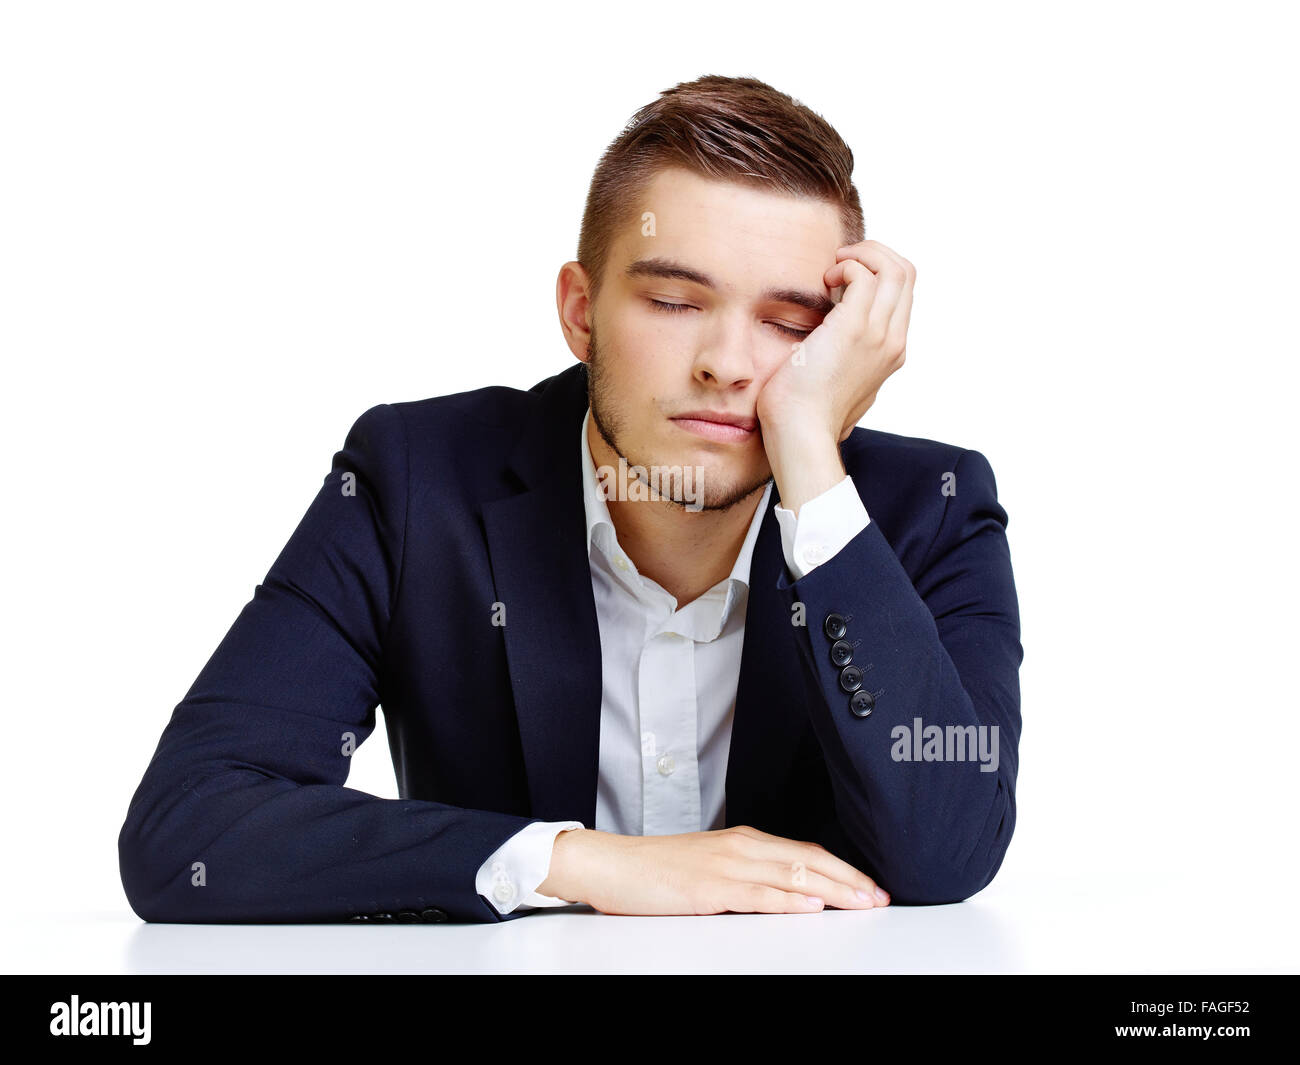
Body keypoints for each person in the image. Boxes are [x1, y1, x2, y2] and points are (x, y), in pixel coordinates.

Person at [118, 74, 1022, 924]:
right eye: (673, 299)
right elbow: (189, 827)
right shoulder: (412, 482)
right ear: (579, 312)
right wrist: (582, 862)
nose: (728, 363)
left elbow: (947, 852)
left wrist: (814, 476)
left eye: (788, 325)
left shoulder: (924, 510)